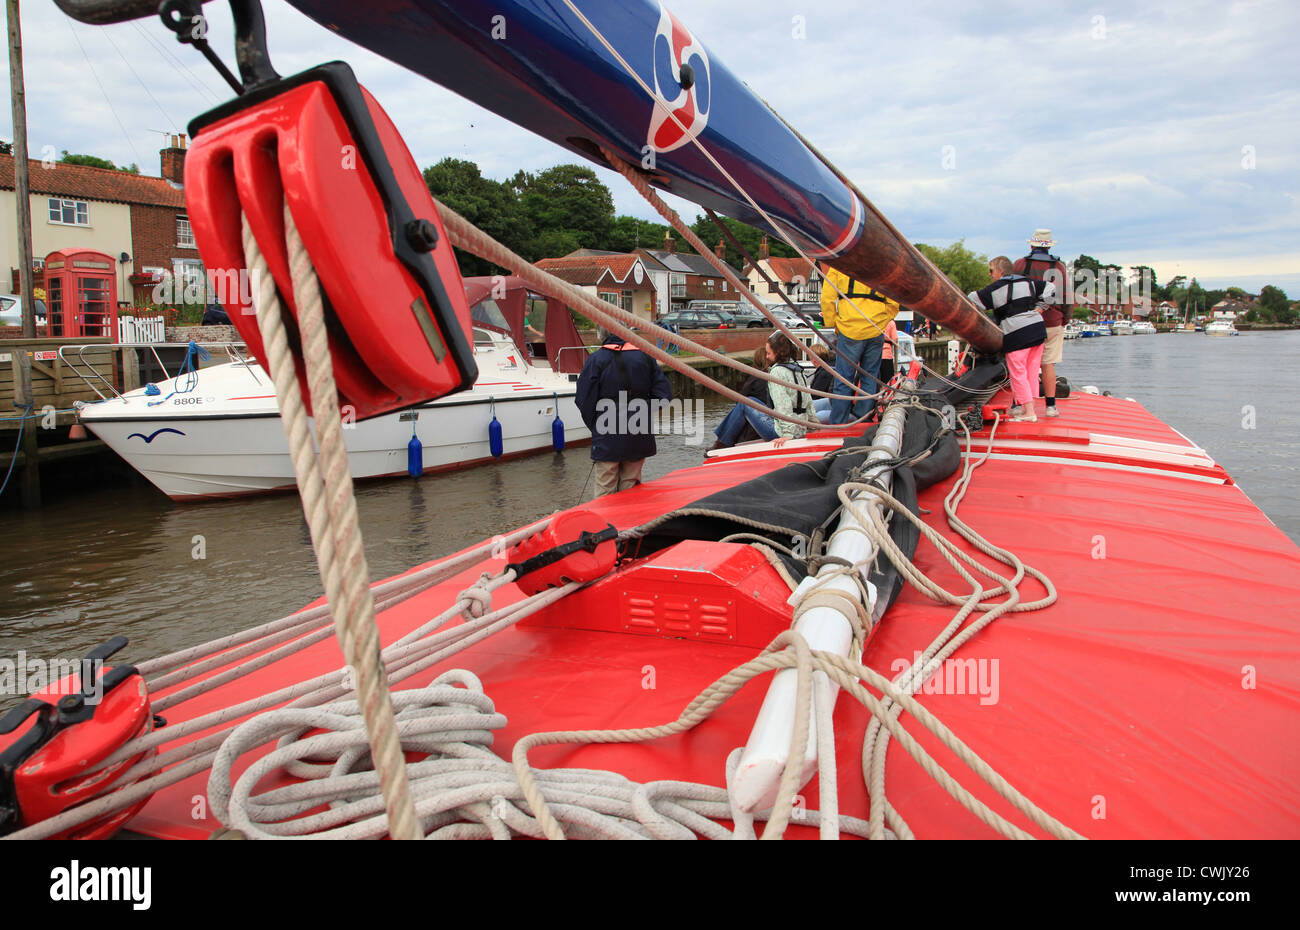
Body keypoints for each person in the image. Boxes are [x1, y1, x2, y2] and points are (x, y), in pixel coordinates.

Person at [576, 328, 672, 495]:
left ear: (602, 336)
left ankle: (606, 520)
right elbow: (664, 395)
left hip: (607, 429)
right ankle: (629, 520)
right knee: (631, 486)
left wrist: (596, 426)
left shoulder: (596, 359)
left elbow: (584, 400)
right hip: (638, 429)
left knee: (605, 487)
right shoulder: (646, 357)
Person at [969, 256, 1052, 423]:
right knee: (1032, 371)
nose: (990, 274)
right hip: (1037, 328)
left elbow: (971, 298)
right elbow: (1050, 288)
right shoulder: (1028, 282)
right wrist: (1040, 308)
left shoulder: (996, 288)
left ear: (1000, 271)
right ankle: (1028, 407)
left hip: (1017, 333)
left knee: (1017, 372)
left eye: (991, 270)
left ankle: (1028, 412)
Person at [820, 267, 899, 423]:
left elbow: (827, 298)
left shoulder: (838, 267)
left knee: (844, 379)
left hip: (849, 329)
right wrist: (880, 322)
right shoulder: (883, 268)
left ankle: (839, 421)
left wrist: (832, 323)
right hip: (874, 329)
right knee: (870, 378)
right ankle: (862, 419)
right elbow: (894, 302)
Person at [1013, 229, 1069, 418]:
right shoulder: (1059, 267)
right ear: (1049, 246)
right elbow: (1066, 296)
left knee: (1021, 363)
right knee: (1048, 363)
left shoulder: (1020, 265)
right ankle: (1051, 406)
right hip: (1052, 321)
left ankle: (1019, 404)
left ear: (1031, 245)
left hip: (1025, 320)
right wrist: (1065, 319)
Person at [709, 344, 778, 449]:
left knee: (744, 403)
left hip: (757, 429)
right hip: (775, 421)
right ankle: (721, 441)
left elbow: (740, 401)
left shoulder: (756, 379)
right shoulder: (777, 377)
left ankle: (722, 442)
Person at [766, 332, 822, 447]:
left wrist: (788, 434)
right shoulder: (797, 370)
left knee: (744, 406)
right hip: (801, 427)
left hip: (783, 430)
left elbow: (783, 404)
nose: (767, 357)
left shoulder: (776, 372)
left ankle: (722, 446)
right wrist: (813, 425)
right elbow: (808, 401)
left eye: (768, 353)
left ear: (777, 353)